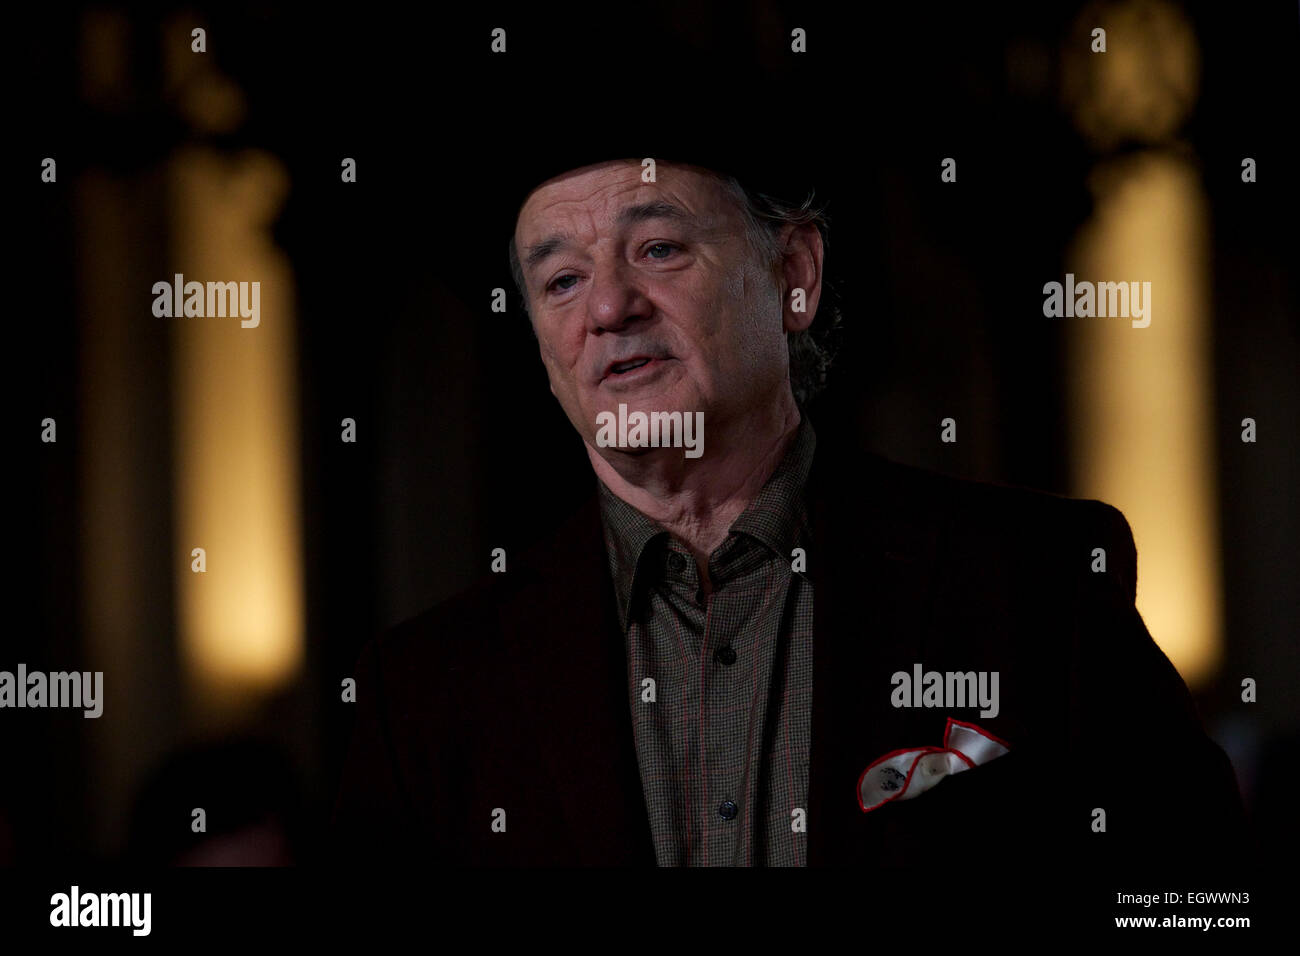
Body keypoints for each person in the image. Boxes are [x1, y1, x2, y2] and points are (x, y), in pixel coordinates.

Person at [332, 156, 1248, 871]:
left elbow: (1202, 902)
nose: (609, 306)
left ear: (795, 274)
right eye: (561, 281)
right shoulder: (423, 692)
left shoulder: (1039, 582)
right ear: (539, 341)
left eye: (659, 250)